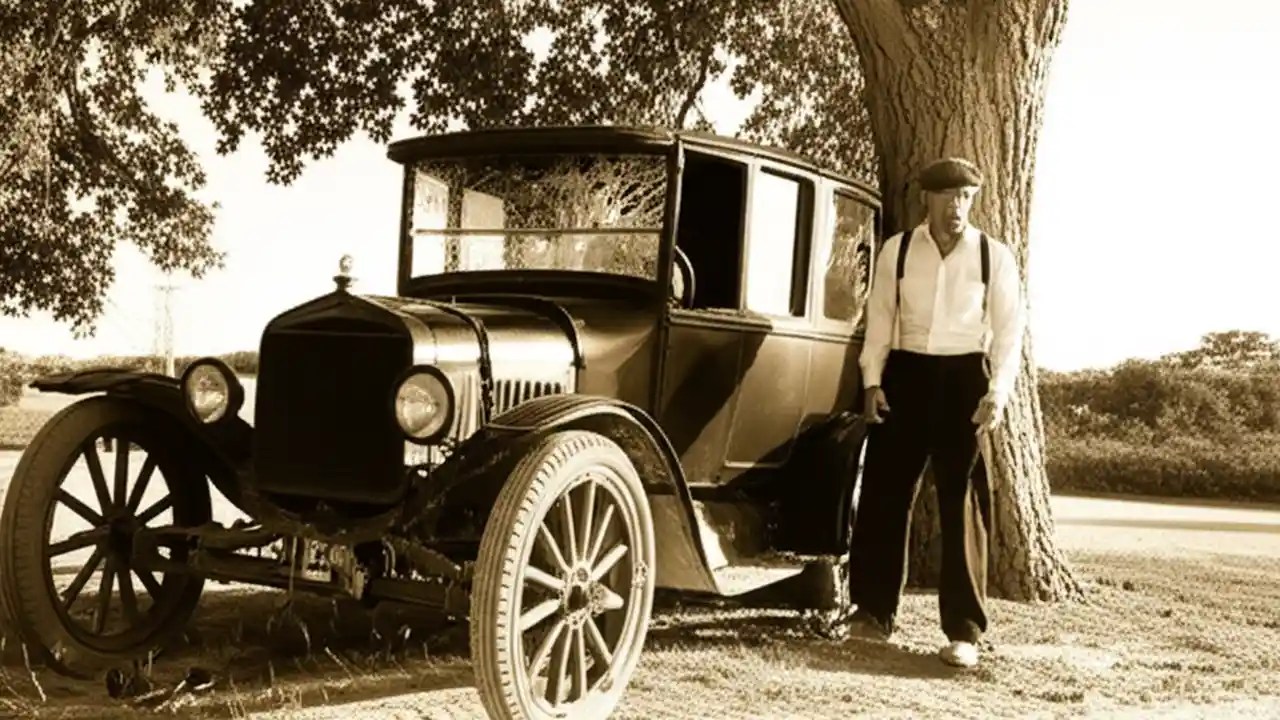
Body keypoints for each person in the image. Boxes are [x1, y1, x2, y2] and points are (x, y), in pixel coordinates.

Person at [843, 156, 1025, 668]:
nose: (956, 208)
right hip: (905, 377)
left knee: (961, 502)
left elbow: (1009, 334)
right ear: (927, 199)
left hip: (965, 381)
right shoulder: (898, 251)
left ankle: (965, 631)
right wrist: (873, 382)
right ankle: (872, 614)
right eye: (947, 198)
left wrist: (998, 393)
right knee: (884, 495)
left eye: (965, 198)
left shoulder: (994, 256)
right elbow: (879, 320)